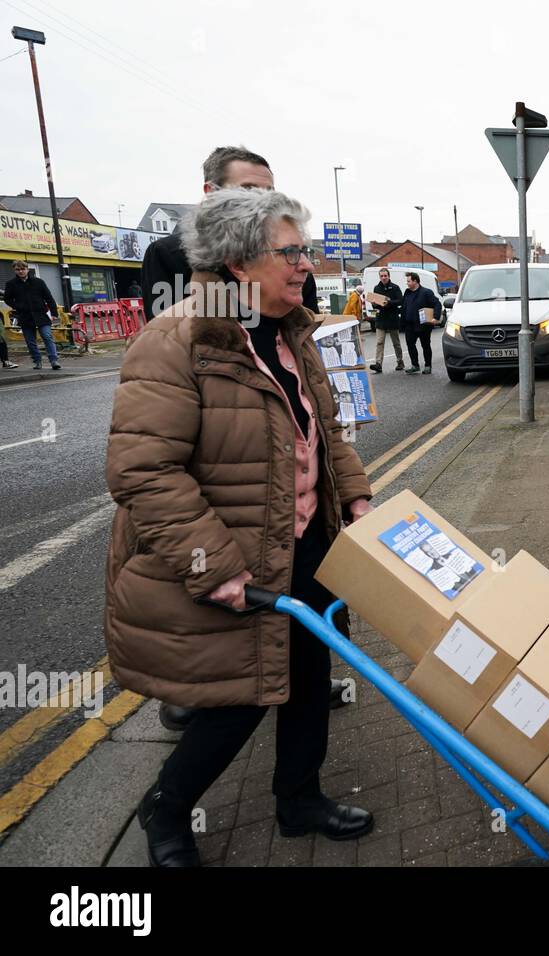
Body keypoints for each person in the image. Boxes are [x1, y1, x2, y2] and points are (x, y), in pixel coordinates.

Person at [105, 188, 375, 867]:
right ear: (235, 264)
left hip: (306, 548)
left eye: (304, 250)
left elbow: (327, 432)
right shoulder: (175, 341)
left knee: (309, 676)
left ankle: (299, 799)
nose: (305, 265)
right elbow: (144, 472)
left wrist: (359, 499)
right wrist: (214, 565)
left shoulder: (291, 334)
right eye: (289, 253)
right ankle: (166, 812)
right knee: (237, 701)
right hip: (236, 561)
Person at [141, 146, 318, 321]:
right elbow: (164, 335)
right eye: (248, 190)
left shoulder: (295, 263)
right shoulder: (169, 255)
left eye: (269, 193)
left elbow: (308, 333)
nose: (262, 201)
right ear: (211, 193)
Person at [3, 260, 61, 370]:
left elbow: (49, 298)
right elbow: (7, 299)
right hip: (25, 316)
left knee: (47, 337)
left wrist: (54, 313)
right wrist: (17, 306)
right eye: (17, 269)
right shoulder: (11, 284)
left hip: (41, 314)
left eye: (22, 269)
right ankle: (37, 361)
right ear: (14, 270)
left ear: (27, 269)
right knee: (30, 341)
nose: (20, 271)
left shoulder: (38, 282)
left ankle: (54, 360)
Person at [400, 271, 440, 375]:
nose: (407, 283)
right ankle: (415, 365)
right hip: (410, 325)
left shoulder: (426, 292)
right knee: (410, 345)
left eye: (408, 281)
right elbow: (404, 307)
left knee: (425, 345)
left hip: (423, 325)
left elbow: (437, 304)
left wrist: (435, 317)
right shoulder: (407, 292)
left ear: (415, 281)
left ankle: (428, 366)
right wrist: (402, 322)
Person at [369, 267, 404, 373]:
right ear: (379, 277)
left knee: (396, 343)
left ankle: (400, 362)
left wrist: (389, 302)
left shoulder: (395, 287)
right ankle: (378, 364)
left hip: (392, 318)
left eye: (385, 276)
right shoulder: (377, 288)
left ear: (389, 276)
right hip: (381, 319)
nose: (383, 278)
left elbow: (400, 301)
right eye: (382, 276)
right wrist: (374, 303)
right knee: (379, 342)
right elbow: (375, 303)